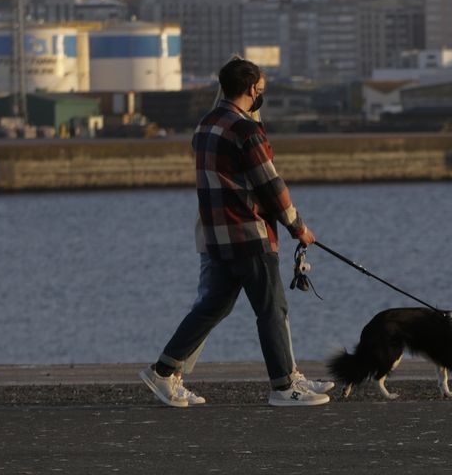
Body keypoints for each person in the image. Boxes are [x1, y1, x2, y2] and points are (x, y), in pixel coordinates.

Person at [139, 57, 333, 407]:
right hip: (249, 234)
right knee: (272, 308)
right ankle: (284, 386)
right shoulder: (246, 131)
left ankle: (164, 371)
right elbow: (271, 185)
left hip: (216, 236)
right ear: (251, 88)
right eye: (261, 87)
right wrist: (298, 228)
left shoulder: (206, 124)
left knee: (213, 307)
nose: (263, 93)